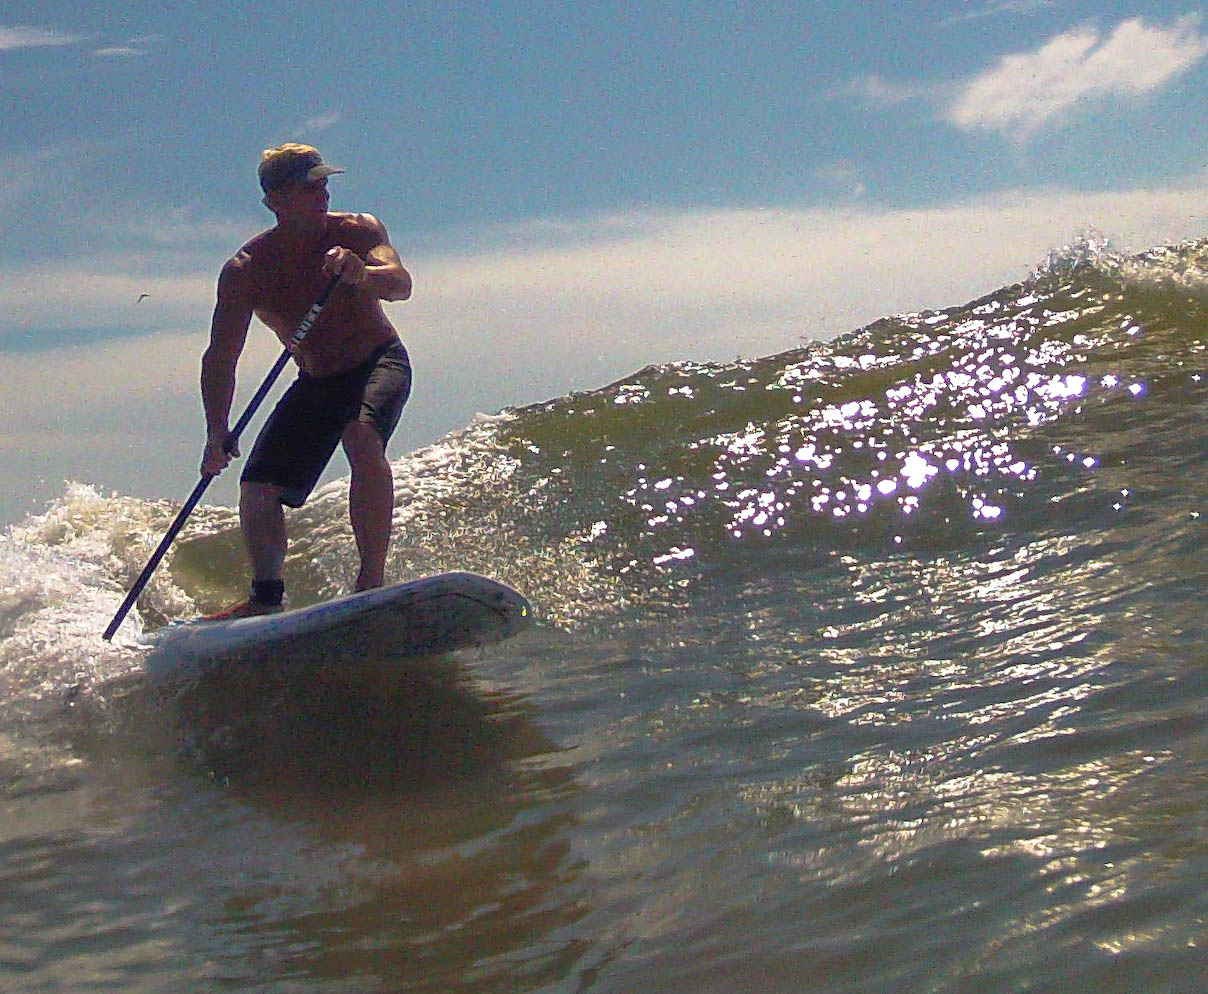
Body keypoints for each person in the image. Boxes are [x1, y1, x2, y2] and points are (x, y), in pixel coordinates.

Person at [199, 143, 414, 618]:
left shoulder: (357, 230)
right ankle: (265, 599)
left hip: (377, 361)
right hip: (316, 380)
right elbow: (220, 357)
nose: (323, 191)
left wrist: (364, 273)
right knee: (257, 489)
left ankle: (370, 582)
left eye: (324, 181)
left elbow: (400, 282)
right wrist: (217, 430)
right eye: (308, 185)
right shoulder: (246, 271)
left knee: (360, 436)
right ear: (275, 199)